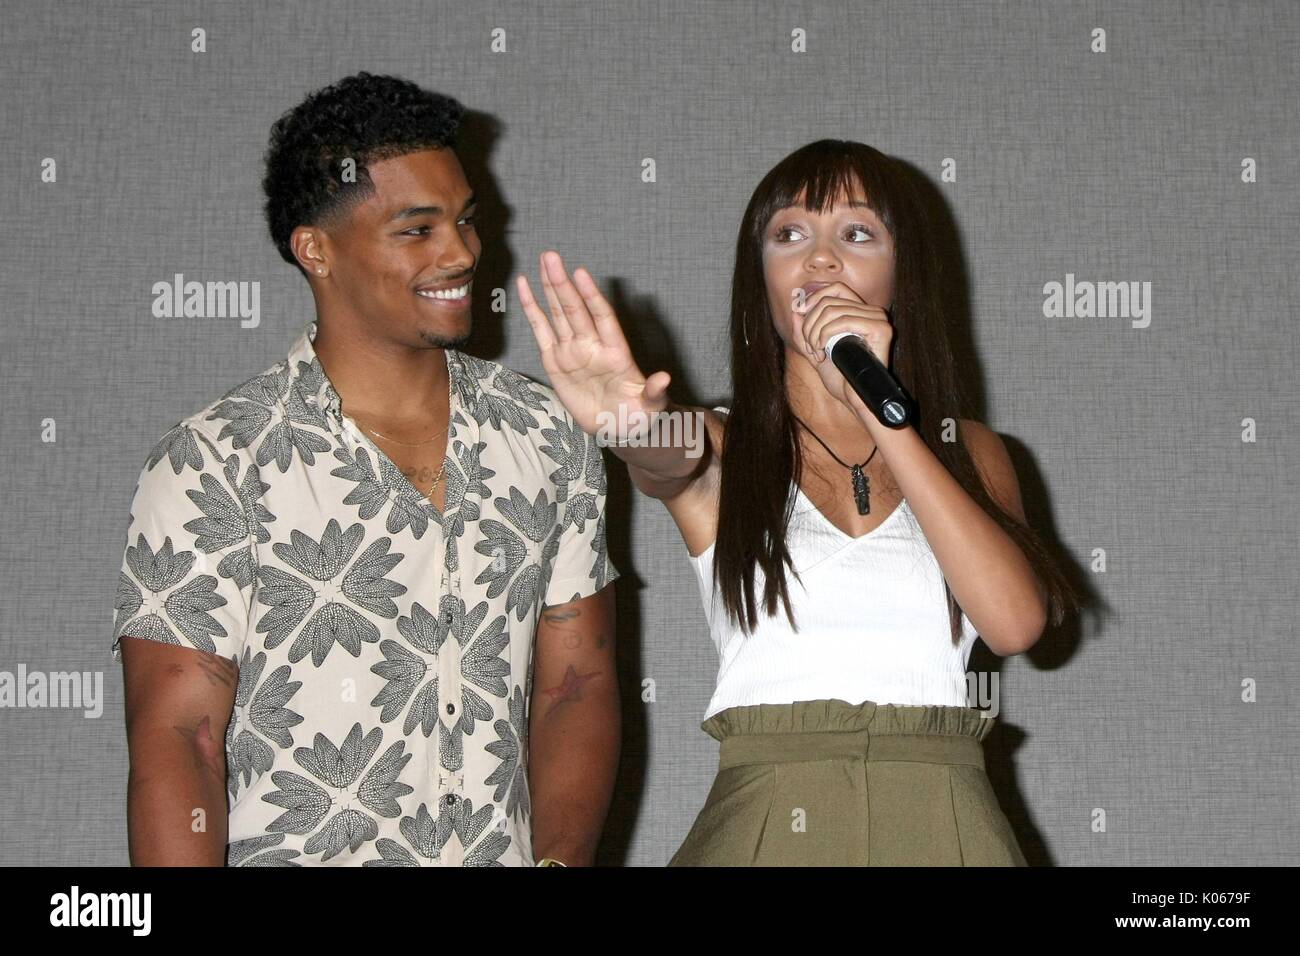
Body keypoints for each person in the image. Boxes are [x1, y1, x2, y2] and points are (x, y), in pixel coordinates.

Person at [517, 139, 1079, 866]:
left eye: (855, 233)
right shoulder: (723, 441)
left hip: (945, 816)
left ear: (901, 275)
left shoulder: (968, 450)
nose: (819, 258)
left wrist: (883, 409)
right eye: (790, 235)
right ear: (763, 281)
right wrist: (630, 424)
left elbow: (1013, 622)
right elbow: (665, 457)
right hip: (769, 818)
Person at [112, 72, 620, 867]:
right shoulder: (216, 461)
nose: (463, 252)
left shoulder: (549, 434)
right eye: (417, 230)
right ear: (315, 249)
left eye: (465, 220)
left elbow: (576, 689)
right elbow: (180, 739)